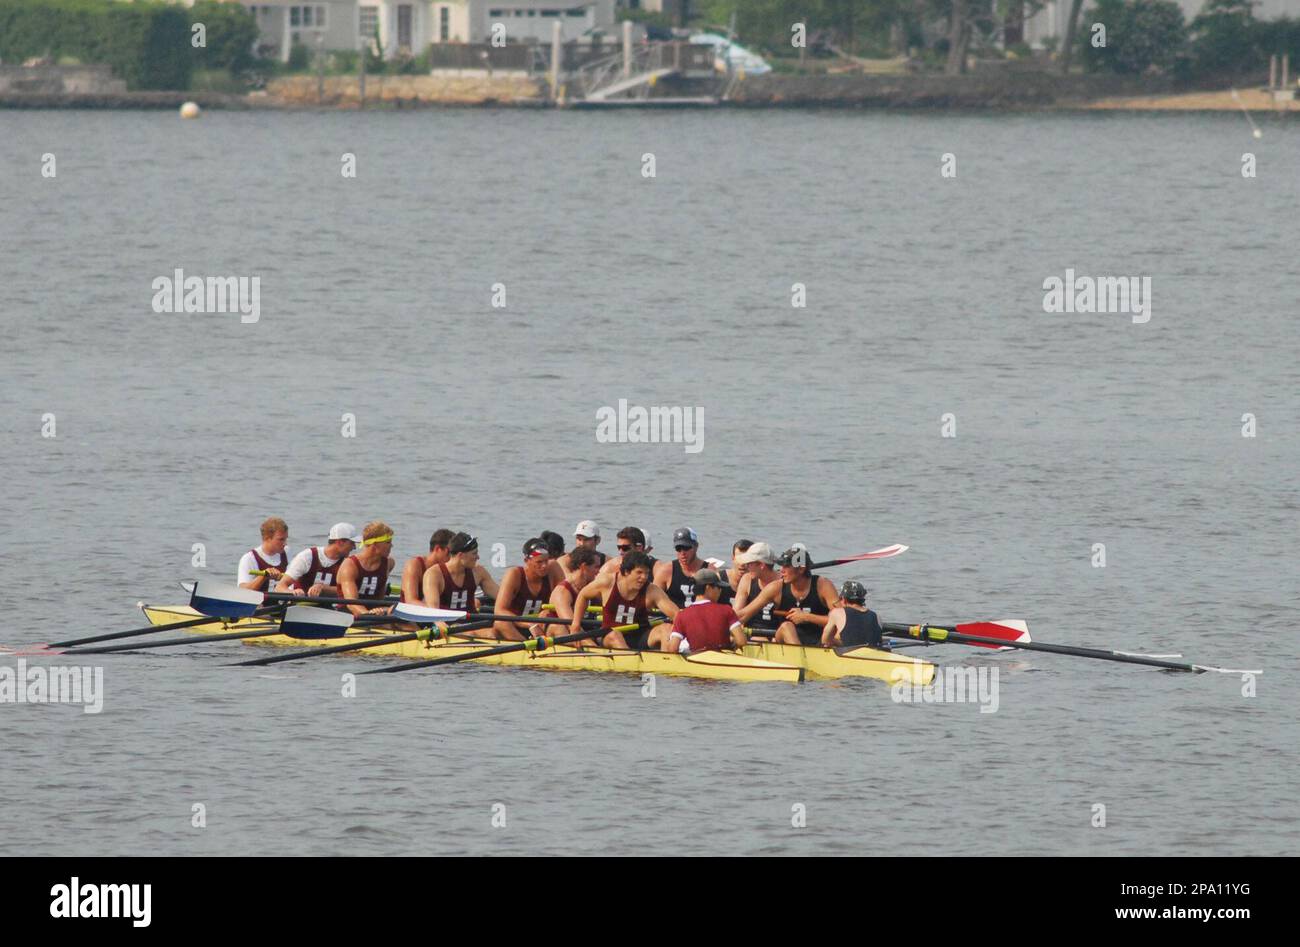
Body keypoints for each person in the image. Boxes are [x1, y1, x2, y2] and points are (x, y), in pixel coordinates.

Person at [571, 551, 678, 650]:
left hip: (639, 636)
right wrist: (576, 625)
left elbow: (677, 615)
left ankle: (667, 660)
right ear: (626, 572)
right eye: (639, 572)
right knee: (615, 635)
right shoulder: (607, 582)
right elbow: (583, 596)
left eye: (647, 573)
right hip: (609, 635)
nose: (644, 577)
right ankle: (631, 663)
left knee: (666, 628)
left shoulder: (652, 590)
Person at [735, 544, 837, 645]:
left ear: (801, 569)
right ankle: (799, 657)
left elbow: (842, 619)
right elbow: (743, 615)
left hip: (818, 641)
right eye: (781, 565)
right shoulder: (776, 588)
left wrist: (807, 617)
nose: (782, 570)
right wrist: (722, 617)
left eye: (787, 566)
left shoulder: (823, 585)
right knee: (786, 627)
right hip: (785, 641)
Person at [665, 569, 746, 654]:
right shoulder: (726, 610)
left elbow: (673, 648)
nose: (720, 591)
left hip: (696, 661)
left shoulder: (682, 615)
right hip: (722, 661)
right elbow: (741, 641)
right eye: (718, 587)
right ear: (708, 588)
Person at [491, 538, 555, 641]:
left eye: (546, 561)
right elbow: (499, 610)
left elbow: (561, 601)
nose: (544, 566)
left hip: (541, 628)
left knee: (558, 625)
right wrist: (529, 624)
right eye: (539, 562)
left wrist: (549, 610)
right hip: (517, 627)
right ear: (526, 561)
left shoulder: (552, 570)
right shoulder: (514, 574)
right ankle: (526, 647)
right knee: (500, 623)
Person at [275, 523, 362, 598]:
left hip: (327, 609)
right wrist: (292, 592)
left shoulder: (347, 563)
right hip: (298, 605)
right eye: (352, 543)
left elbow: (349, 590)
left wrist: (323, 588)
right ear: (340, 542)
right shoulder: (307, 557)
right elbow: (280, 586)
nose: (354, 547)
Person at [422, 532, 500, 611]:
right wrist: (441, 624)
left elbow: (500, 596)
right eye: (474, 553)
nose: (478, 557)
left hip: (471, 620)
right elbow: (433, 611)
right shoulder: (433, 575)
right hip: (444, 621)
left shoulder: (478, 572)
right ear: (461, 555)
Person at [337, 522, 397, 617]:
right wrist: (369, 615)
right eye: (388, 542)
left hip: (376, 612)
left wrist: (384, 610)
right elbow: (352, 603)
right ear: (375, 545)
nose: (391, 546)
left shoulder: (389, 563)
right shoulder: (350, 566)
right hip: (349, 614)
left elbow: (380, 598)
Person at [730, 541, 782, 635]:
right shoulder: (747, 579)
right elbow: (737, 615)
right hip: (751, 634)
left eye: (749, 563)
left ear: (762, 565)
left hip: (777, 635)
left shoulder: (783, 582)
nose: (746, 567)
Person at [654, 526, 707, 607]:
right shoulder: (665, 571)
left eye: (686, 547)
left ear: (696, 546)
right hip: (671, 617)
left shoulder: (710, 571)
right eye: (678, 548)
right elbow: (652, 600)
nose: (682, 553)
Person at [821, 581, 885, 648]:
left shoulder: (836, 613)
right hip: (875, 655)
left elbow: (825, 641)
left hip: (850, 655)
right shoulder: (877, 616)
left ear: (844, 599)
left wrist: (834, 641)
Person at [399, 528, 453, 603]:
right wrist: (435, 610)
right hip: (410, 612)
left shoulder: (450, 568)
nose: (453, 557)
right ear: (437, 549)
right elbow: (410, 601)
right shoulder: (414, 565)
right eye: (451, 552)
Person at [550, 545, 603, 621]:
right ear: (583, 567)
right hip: (564, 630)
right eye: (596, 567)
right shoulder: (562, 592)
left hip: (588, 629)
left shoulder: (593, 587)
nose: (599, 571)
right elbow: (571, 625)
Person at [237, 517, 290, 592]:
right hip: (258, 602)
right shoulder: (249, 559)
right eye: (281, 539)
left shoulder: (287, 552)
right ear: (267, 538)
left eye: (286, 539)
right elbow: (242, 591)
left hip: (284, 602)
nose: (285, 543)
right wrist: (263, 576)